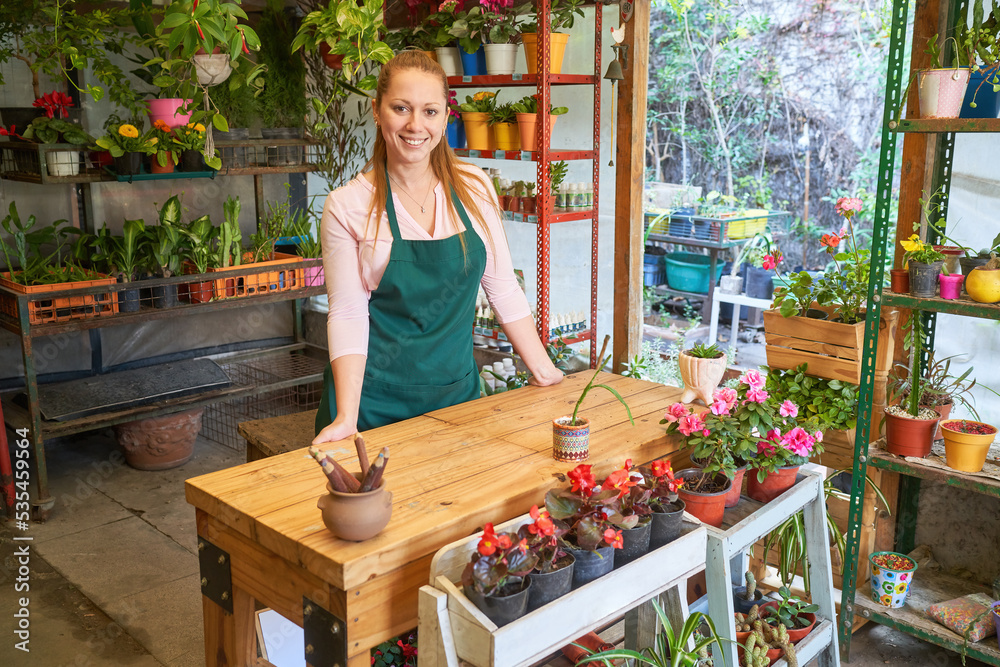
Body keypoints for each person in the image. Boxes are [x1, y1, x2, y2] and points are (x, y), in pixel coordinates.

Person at [313, 51, 564, 444]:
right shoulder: (348, 205)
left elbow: (502, 288)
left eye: (430, 111)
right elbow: (348, 313)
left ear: (445, 118)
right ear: (377, 111)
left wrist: (543, 369)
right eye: (401, 108)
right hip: (372, 405)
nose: (416, 125)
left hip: (457, 399)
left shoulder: (474, 187)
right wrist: (347, 416)